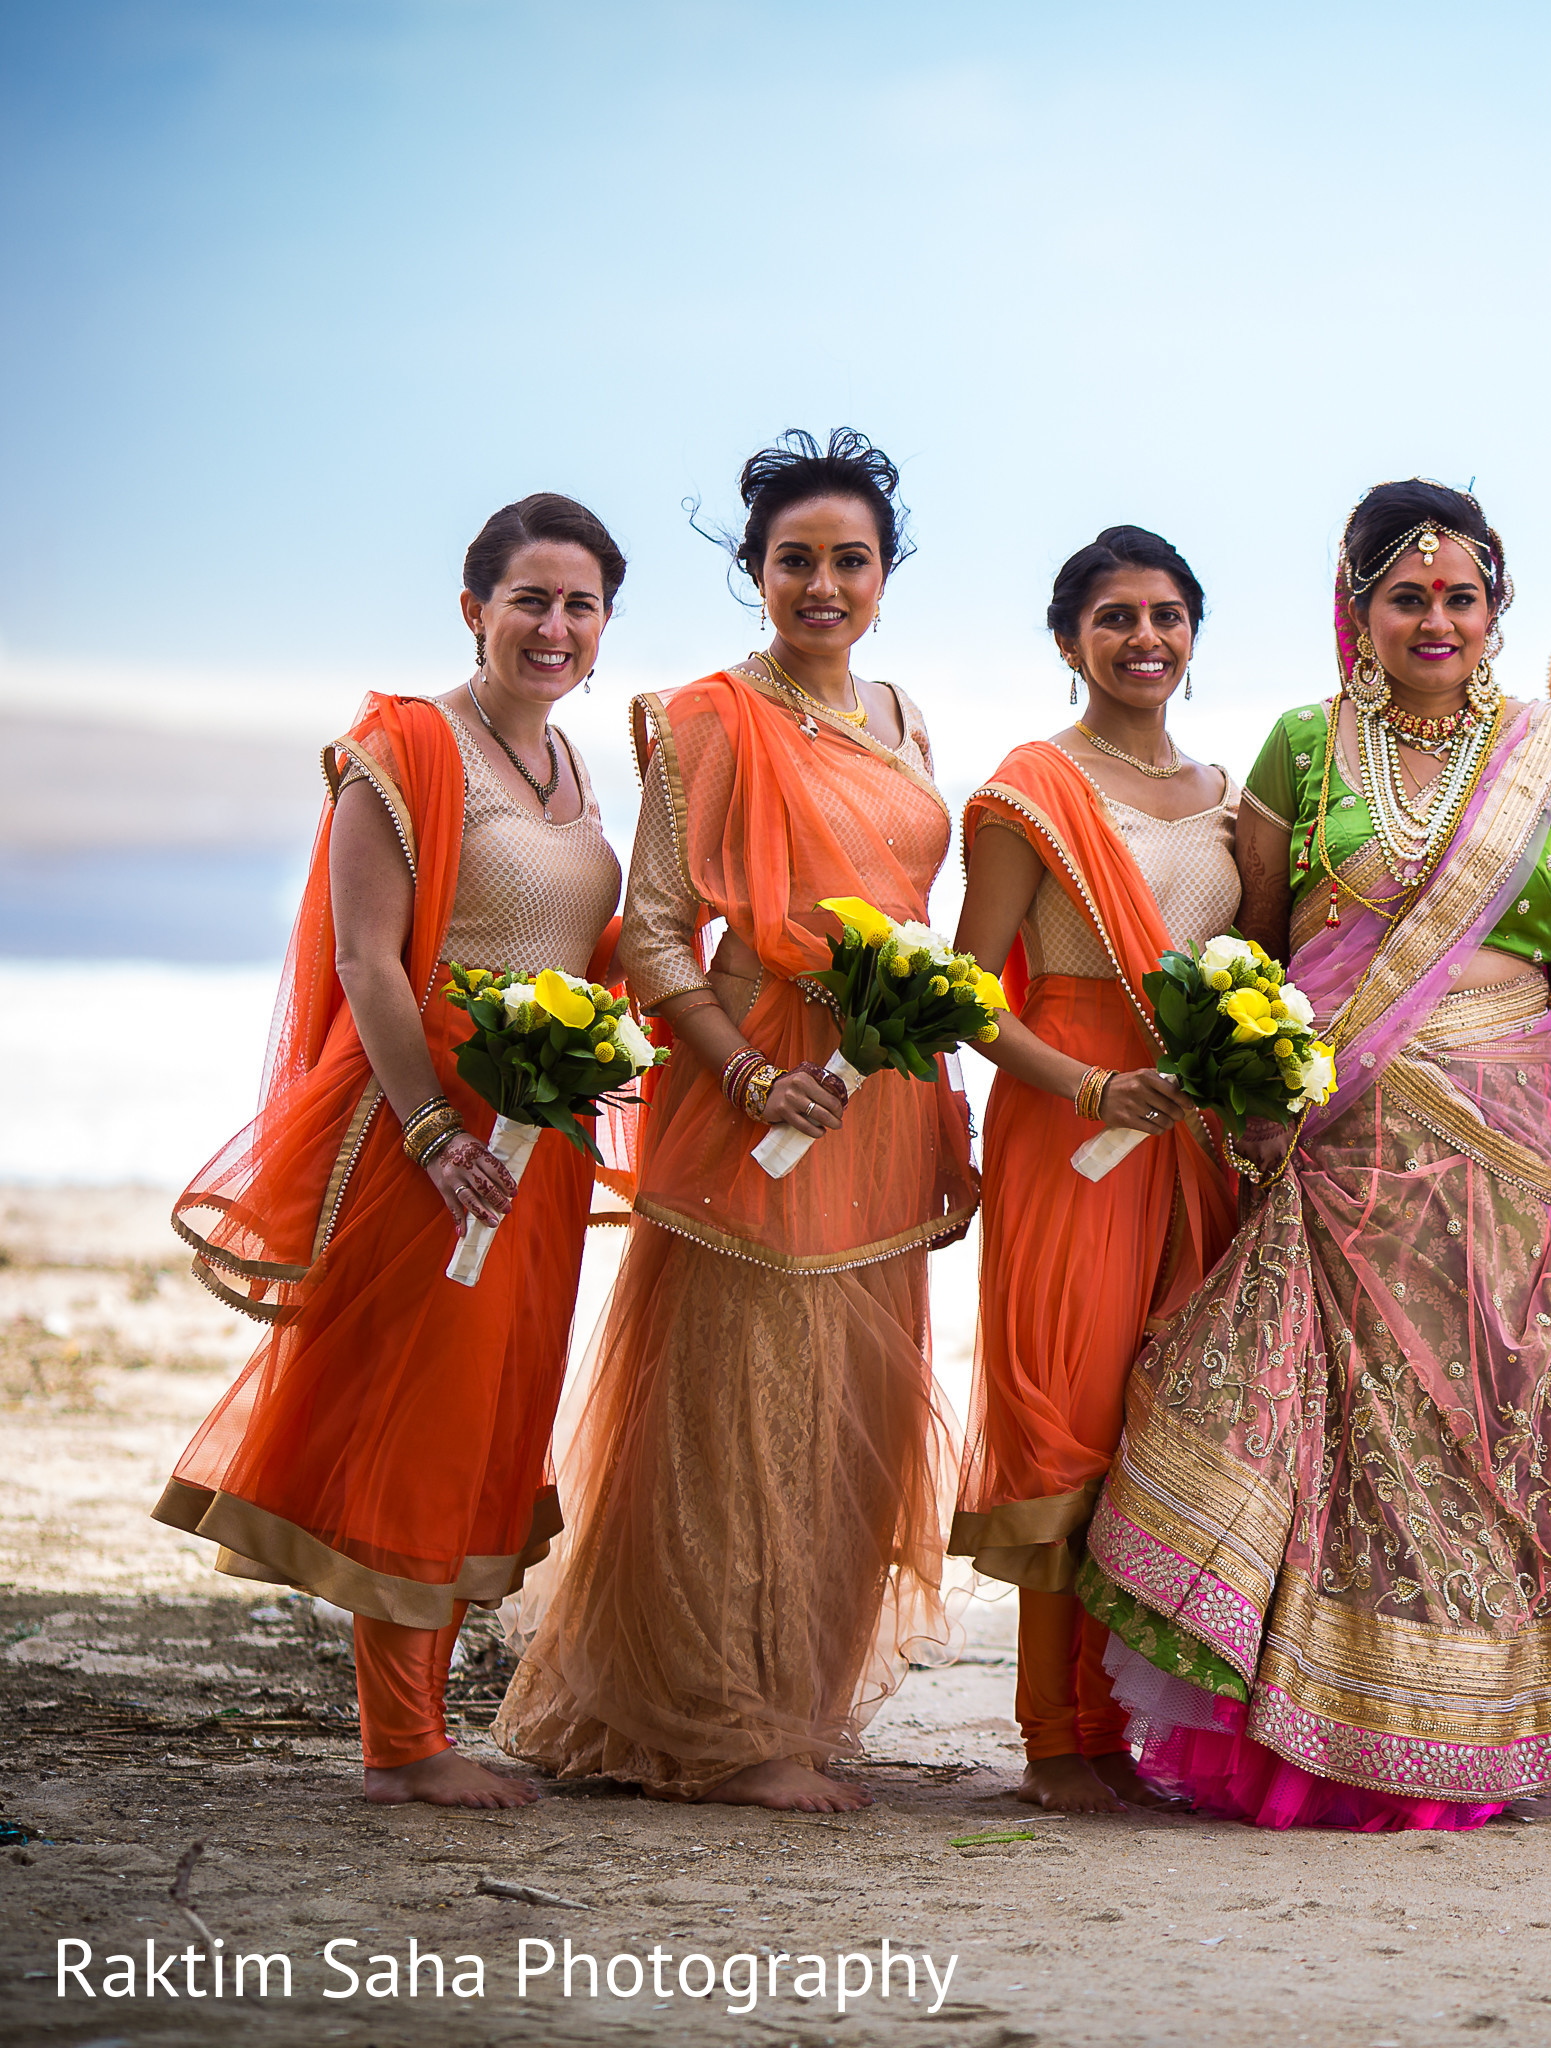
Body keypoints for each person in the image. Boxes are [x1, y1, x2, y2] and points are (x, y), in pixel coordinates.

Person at [1081, 480, 1551, 1831]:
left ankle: (1468, 1727)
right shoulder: (1301, 745)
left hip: (1507, 1133)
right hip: (1342, 1136)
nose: (1436, 618)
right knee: (1345, 1423)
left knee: (1489, 1415)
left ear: (1495, 609)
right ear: (1360, 609)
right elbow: (1266, 952)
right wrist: (1258, 1103)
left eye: (1462, 596)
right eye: (1408, 595)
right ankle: (1318, 1740)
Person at [495, 430, 976, 1813]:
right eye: (794, 562)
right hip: (753, 1083)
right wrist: (749, 1074)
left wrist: (942, 1105)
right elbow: (651, 934)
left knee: (848, 1418)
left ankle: (799, 1707)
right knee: (741, 1408)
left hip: (879, 1096)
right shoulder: (703, 718)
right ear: (754, 572)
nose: (821, 586)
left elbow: (916, 927)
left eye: (849, 562)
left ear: (886, 575)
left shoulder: (903, 717)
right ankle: (724, 1723)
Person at [159, 494, 630, 1807]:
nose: (554, 626)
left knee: (492, 1407)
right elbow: (370, 958)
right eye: (529, 598)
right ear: (473, 606)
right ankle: (399, 1747)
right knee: (421, 1409)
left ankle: (421, 1722)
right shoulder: (403, 748)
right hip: (428, 1132)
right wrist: (431, 1129)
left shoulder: (576, 772)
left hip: (537, 1135)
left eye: (580, 604)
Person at [949, 525, 1241, 1813]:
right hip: (1071, 1122)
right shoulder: (1029, 788)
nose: (1144, 640)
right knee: (1065, 1404)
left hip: (1195, 1127)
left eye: (1167, 616)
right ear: (1068, 639)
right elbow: (965, 989)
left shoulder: (1224, 789)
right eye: (1115, 617)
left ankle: (1134, 1721)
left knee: (1166, 1413)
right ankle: (1054, 1738)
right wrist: (1086, 1085)